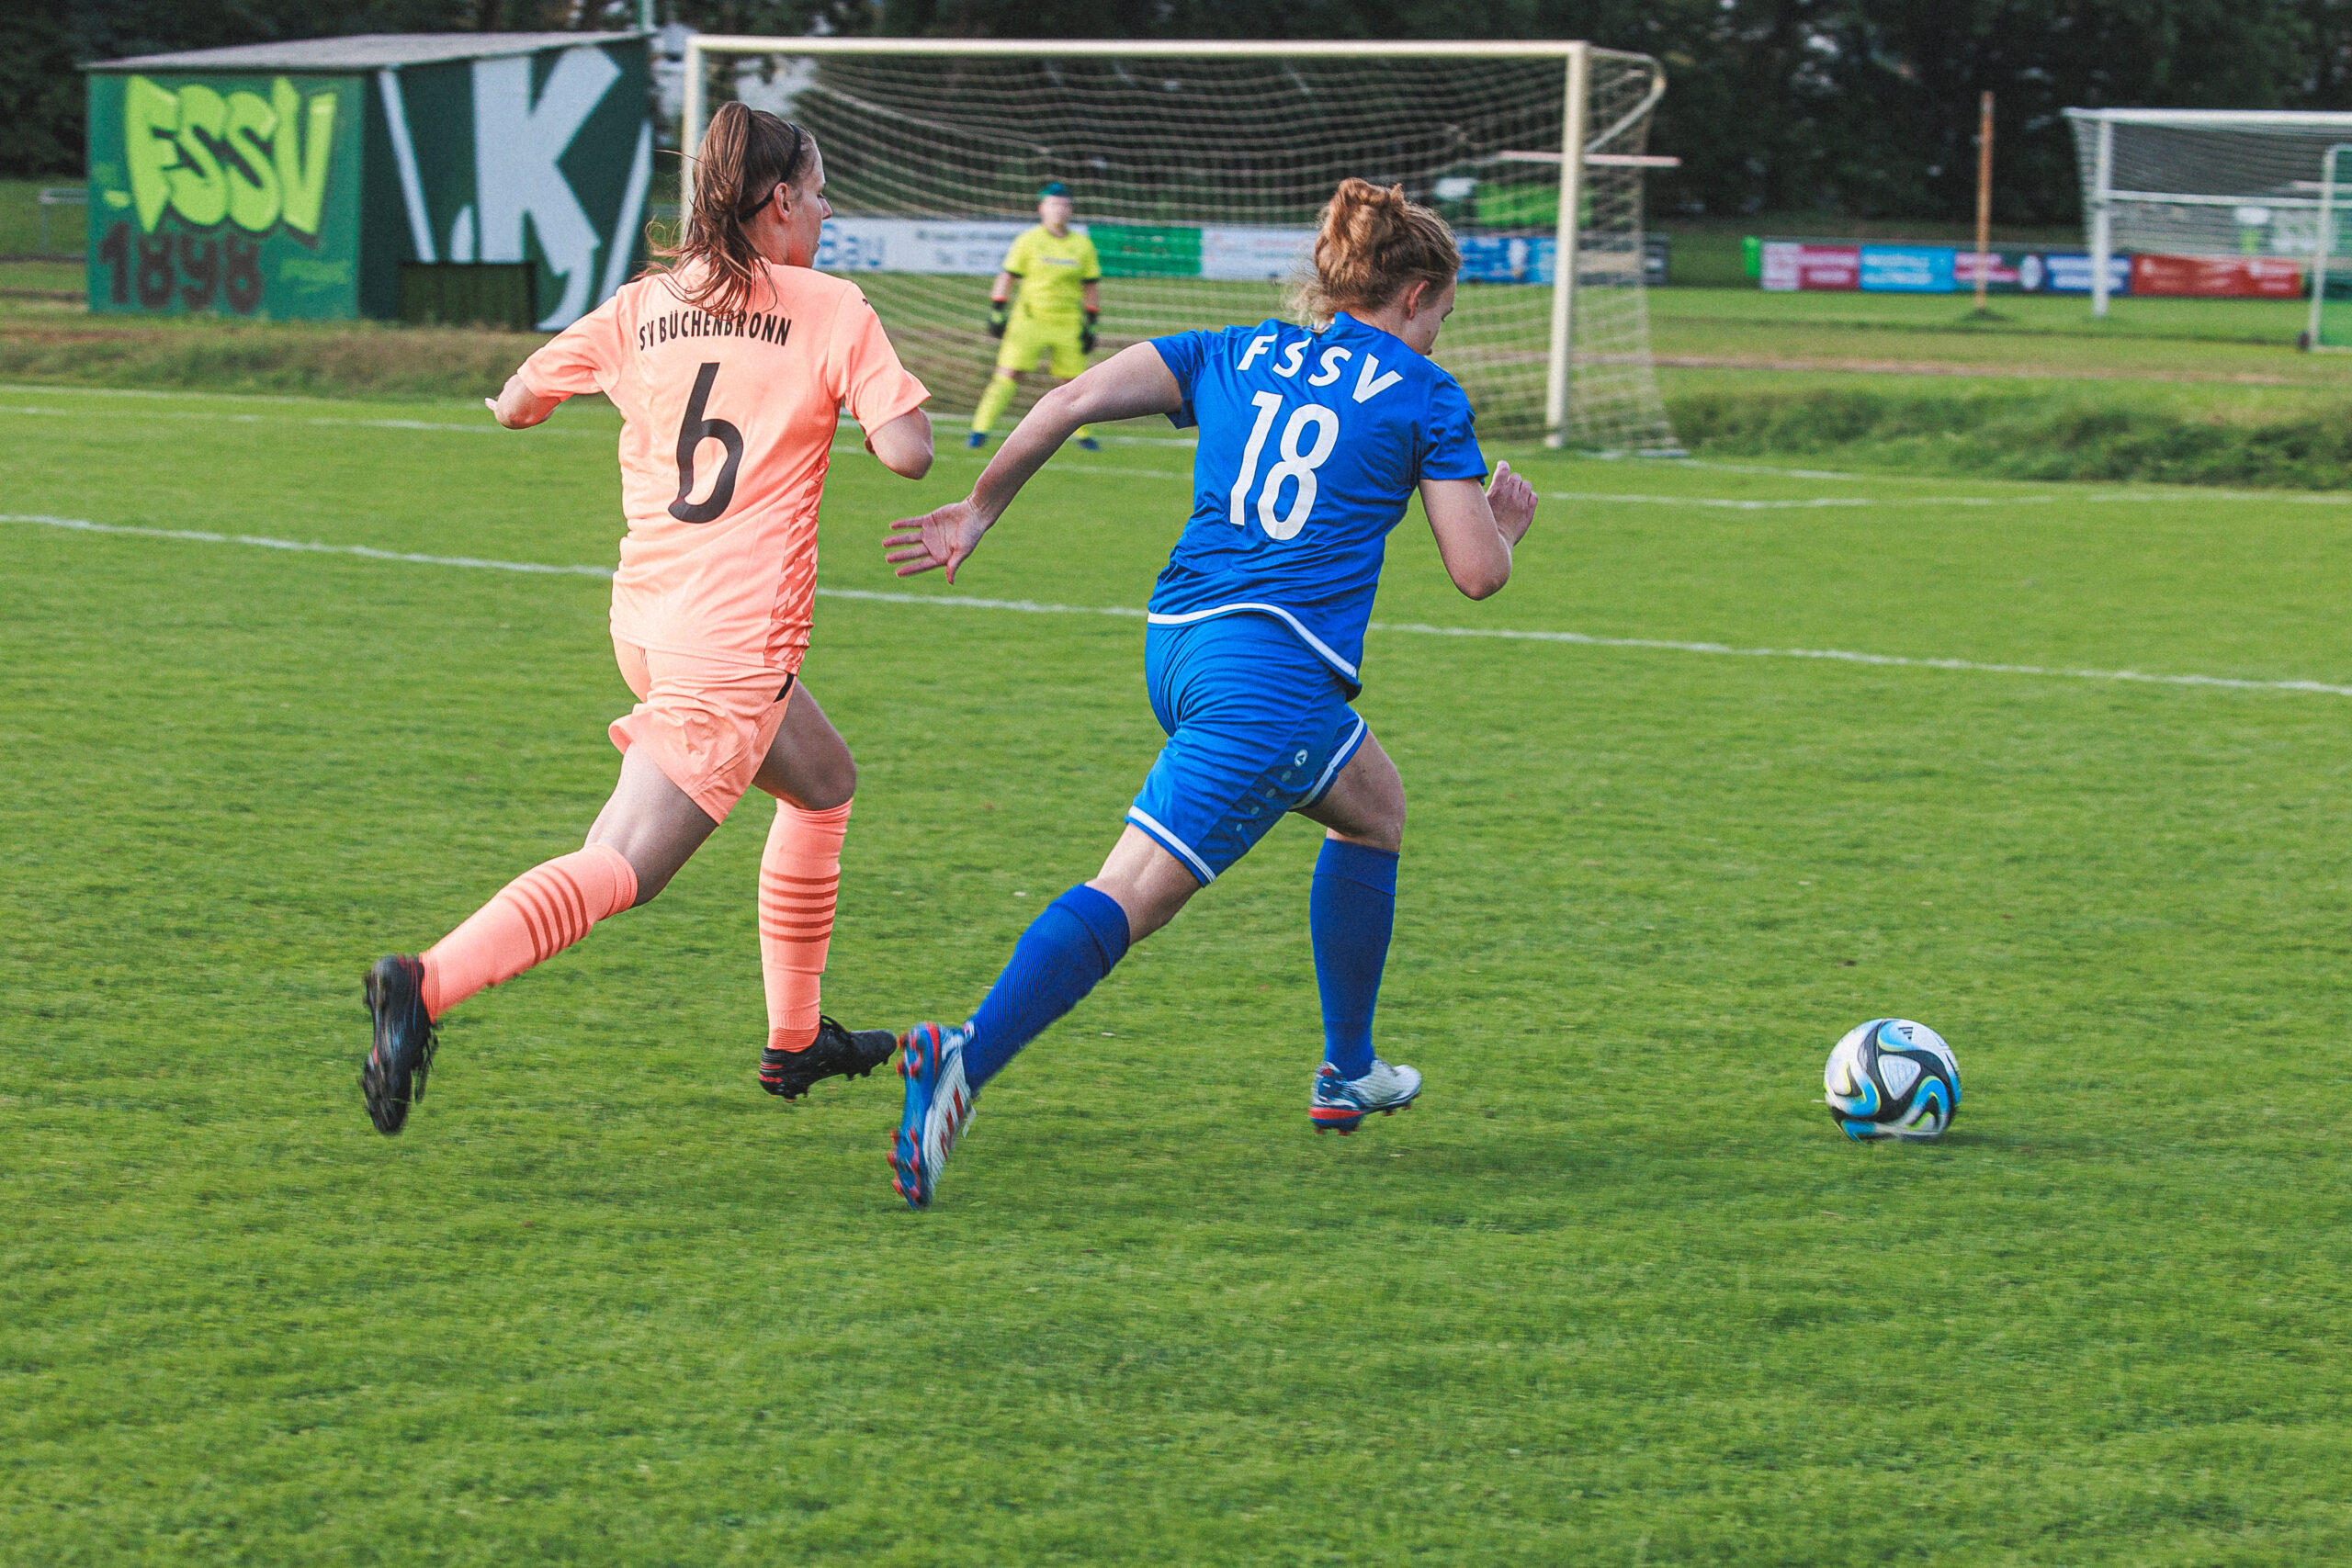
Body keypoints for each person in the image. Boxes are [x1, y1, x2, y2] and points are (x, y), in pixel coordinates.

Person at [880, 178, 1538, 1208]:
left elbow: (1064, 400)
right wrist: (1503, 520)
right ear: (1414, 294)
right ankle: (966, 1054)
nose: (1441, 331)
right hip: (1267, 678)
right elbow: (1477, 572)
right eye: (1443, 313)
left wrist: (977, 511)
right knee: (1133, 890)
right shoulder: (1425, 396)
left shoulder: (1234, 348)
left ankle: (1349, 1068)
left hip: (1181, 645)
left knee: (1373, 809)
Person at [359, 104, 934, 1135]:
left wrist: (542, 400)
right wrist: (868, 398)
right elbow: (908, 453)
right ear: (777, 204)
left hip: (649, 620)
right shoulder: (831, 306)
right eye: (817, 189)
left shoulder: (642, 305)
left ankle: (795, 1041)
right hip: (731, 640)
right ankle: (424, 982)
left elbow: (519, 398)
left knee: (824, 782)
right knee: (626, 863)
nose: (827, 206)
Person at [968, 180, 1103, 452]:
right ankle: (980, 430)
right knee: (1008, 374)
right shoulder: (1028, 241)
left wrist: (1091, 324)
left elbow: (1091, 286)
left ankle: (1083, 435)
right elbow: (1007, 277)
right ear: (1042, 209)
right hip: (1028, 321)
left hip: (1067, 323)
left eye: (1065, 205)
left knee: (1075, 384)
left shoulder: (1082, 246)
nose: (1060, 211)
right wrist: (997, 311)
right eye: (1054, 205)